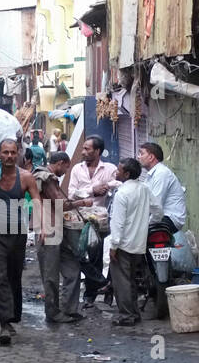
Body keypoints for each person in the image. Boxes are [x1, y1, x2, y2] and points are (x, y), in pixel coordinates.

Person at [0, 137, 42, 346]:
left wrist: (40, 225)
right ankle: (4, 324)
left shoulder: (25, 177)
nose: (9, 156)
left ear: (18, 154)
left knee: (14, 276)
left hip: (18, 235)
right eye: (5, 152)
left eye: (13, 152)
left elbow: (37, 200)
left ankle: (12, 316)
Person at [68, 135, 118, 306]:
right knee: (80, 256)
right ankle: (101, 283)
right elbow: (72, 193)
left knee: (97, 257)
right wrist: (92, 190)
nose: (83, 152)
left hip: (101, 220)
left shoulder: (109, 168)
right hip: (79, 219)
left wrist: (107, 188)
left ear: (97, 151)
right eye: (83, 148)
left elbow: (118, 186)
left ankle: (91, 294)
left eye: (87, 149)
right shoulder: (77, 169)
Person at [36, 151, 84, 324]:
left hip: (58, 229)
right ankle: (53, 313)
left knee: (72, 270)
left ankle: (69, 309)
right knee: (50, 276)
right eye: (66, 167)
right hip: (48, 231)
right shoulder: (47, 177)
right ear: (61, 163)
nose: (65, 171)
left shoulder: (47, 177)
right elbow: (60, 204)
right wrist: (82, 203)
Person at [108, 157, 153, 327]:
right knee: (131, 279)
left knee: (122, 281)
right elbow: (158, 210)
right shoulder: (144, 189)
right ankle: (133, 312)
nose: (116, 172)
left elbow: (118, 224)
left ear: (126, 174)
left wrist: (113, 246)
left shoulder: (122, 194)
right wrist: (146, 225)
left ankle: (126, 315)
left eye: (119, 170)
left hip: (124, 245)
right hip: (139, 244)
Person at [138, 141, 188, 231]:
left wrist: (145, 225)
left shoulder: (161, 173)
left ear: (151, 157)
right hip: (161, 216)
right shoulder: (151, 174)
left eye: (141, 154)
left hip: (170, 218)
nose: (138, 157)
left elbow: (156, 205)